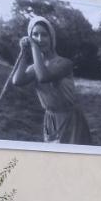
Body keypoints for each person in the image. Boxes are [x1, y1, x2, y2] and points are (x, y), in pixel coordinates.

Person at [10, 15, 94, 145]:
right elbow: (17, 81)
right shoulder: (36, 67)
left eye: (44, 35)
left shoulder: (64, 63)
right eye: (35, 35)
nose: (39, 39)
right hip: (51, 119)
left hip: (70, 119)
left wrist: (33, 46)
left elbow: (44, 77)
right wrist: (25, 53)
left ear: (51, 38)